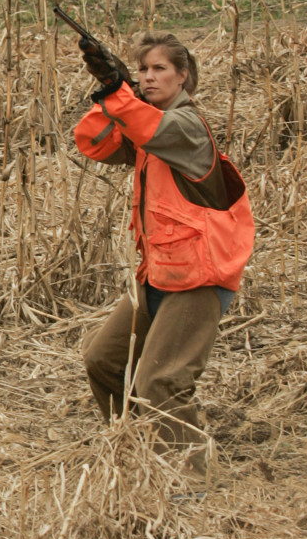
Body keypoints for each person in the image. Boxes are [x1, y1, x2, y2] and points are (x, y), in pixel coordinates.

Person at [73, 31, 255, 472]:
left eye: (159, 70)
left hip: (200, 275)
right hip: (159, 271)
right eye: (142, 70)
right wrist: (114, 93)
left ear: (183, 77)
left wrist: (121, 93)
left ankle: (191, 478)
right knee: (104, 362)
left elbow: (148, 128)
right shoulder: (147, 123)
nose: (149, 77)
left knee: (162, 380)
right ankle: (137, 451)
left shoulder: (185, 127)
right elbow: (92, 141)